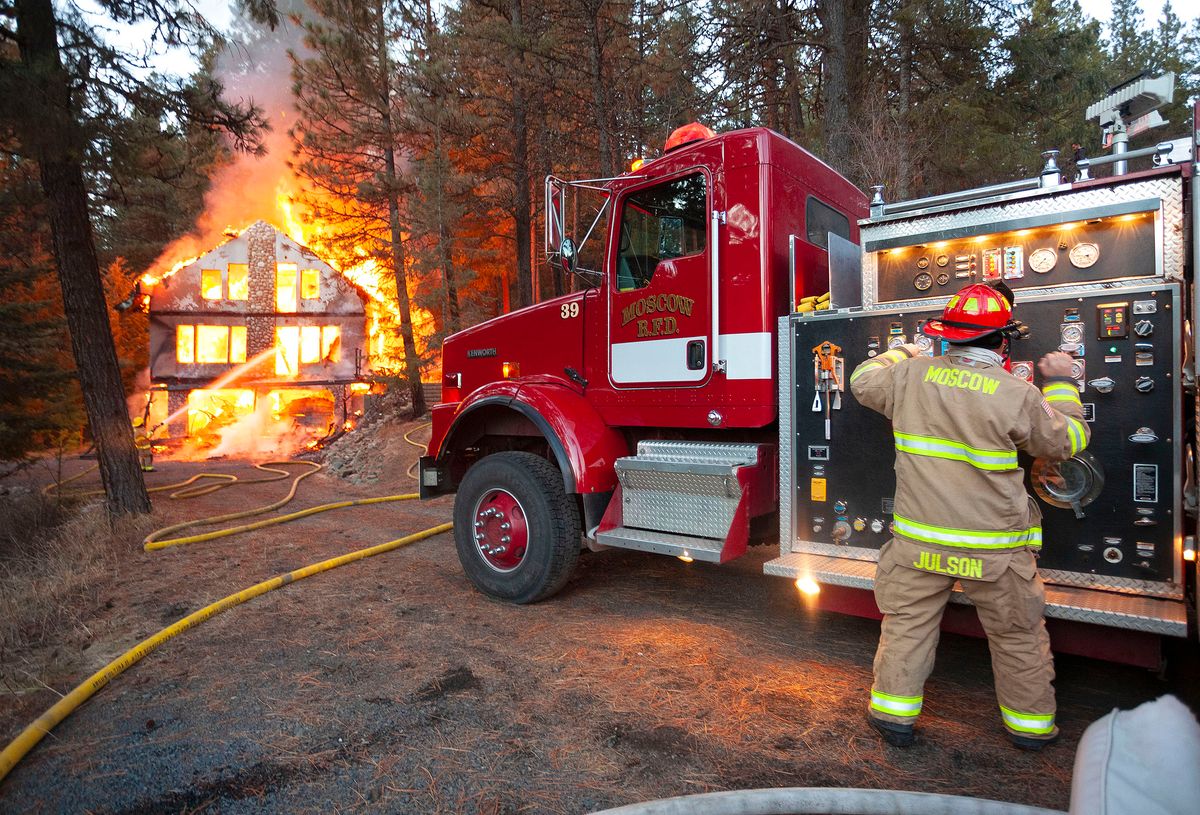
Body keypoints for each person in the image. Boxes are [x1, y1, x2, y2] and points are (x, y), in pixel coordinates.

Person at [849, 282, 1089, 751]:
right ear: (1002, 342)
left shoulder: (909, 375)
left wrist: (905, 351)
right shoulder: (1017, 392)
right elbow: (1068, 442)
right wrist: (1062, 382)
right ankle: (1030, 729)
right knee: (1017, 637)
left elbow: (861, 378)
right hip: (994, 551)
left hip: (919, 544)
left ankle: (893, 717)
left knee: (906, 626)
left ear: (946, 336)